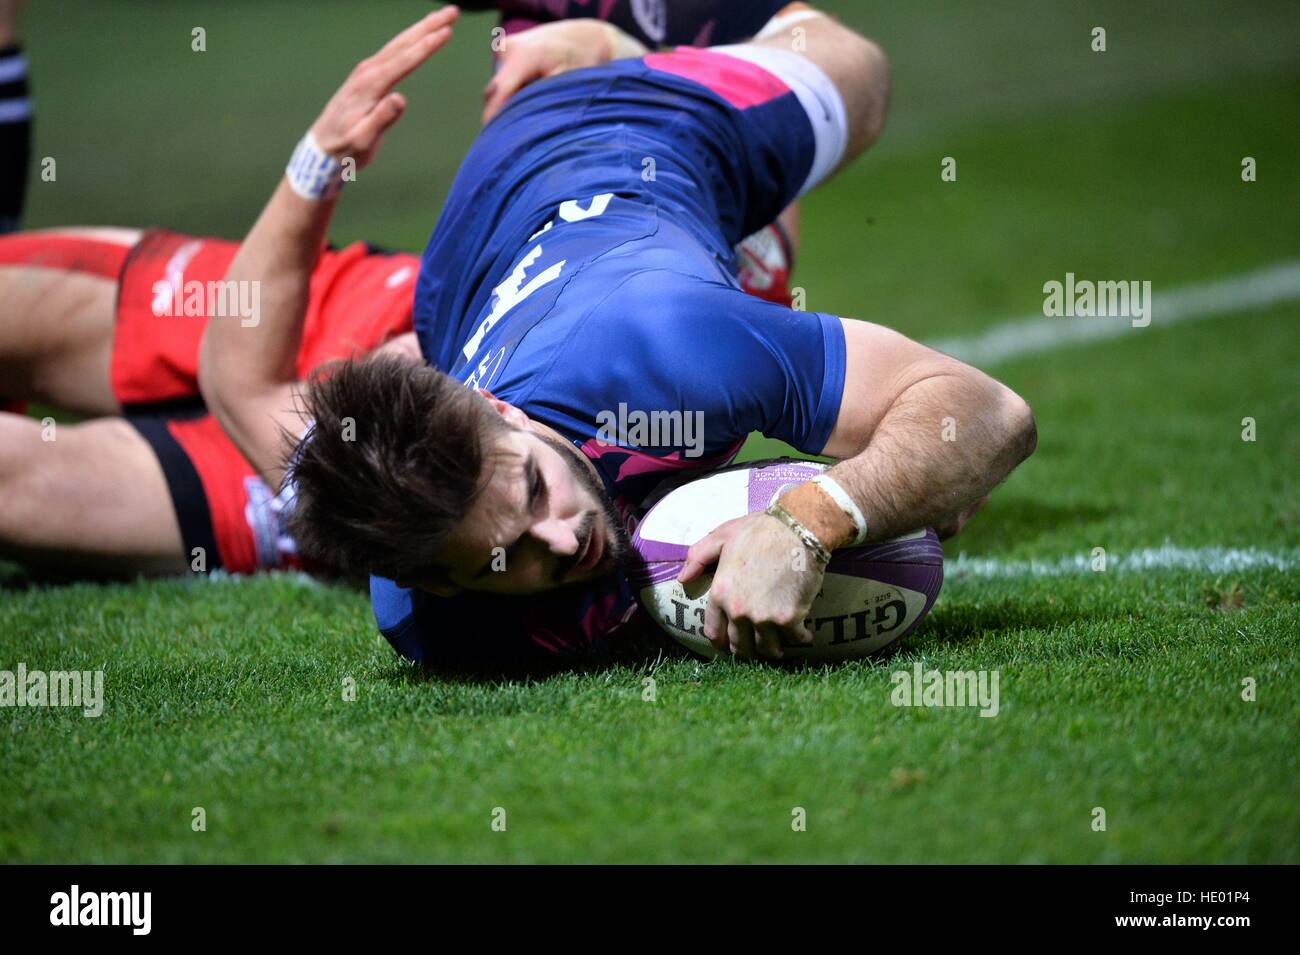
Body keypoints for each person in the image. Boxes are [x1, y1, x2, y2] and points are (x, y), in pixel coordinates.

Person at [199, 5, 1037, 666]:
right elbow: (242, 387)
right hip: (480, 250)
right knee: (753, 280)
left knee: (857, 75)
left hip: (639, 127)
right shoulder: (421, 611)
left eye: (533, 492)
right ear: (433, 580)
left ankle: (619, 33)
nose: (563, 540)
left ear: (504, 412)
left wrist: (814, 518)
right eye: (509, 556)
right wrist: (309, 159)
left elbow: (988, 413)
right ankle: (746, 251)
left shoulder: (664, 346)